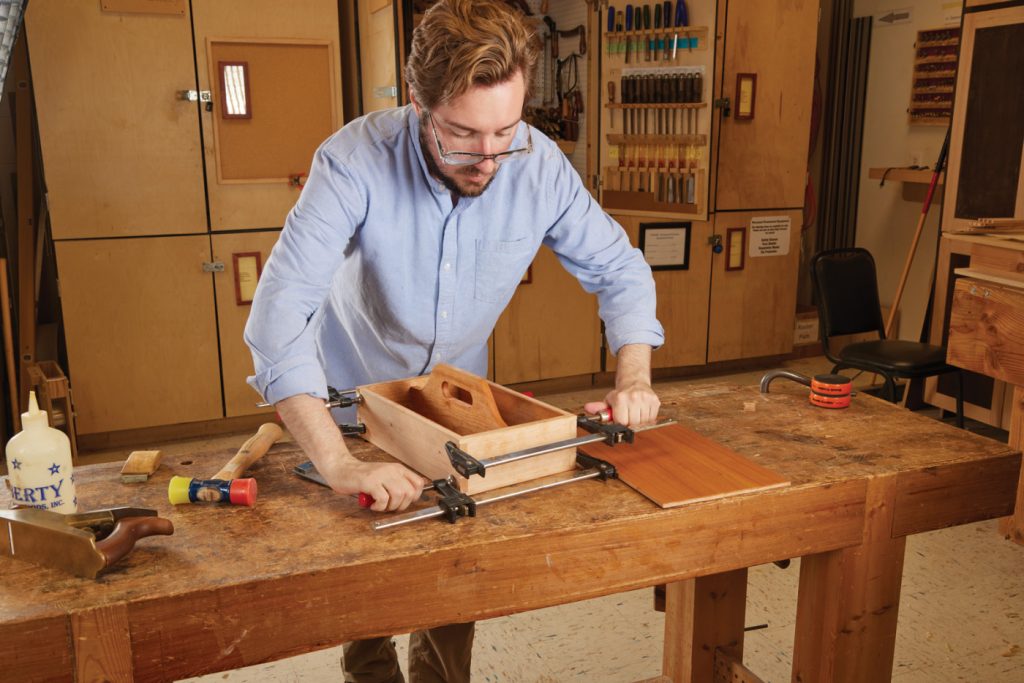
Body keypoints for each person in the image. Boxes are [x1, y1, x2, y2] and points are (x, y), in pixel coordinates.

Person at [244, 1, 664, 680]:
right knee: (371, 587)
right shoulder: (353, 162)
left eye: (507, 130)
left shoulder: (538, 165)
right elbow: (276, 320)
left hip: (453, 412)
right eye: (464, 135)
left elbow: (619, 268)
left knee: (454, 582)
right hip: (352, 411)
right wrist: (338, 465)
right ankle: (369, 666)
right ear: (417, 103)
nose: (490, 158)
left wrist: (635, 377)